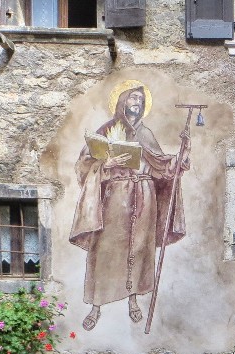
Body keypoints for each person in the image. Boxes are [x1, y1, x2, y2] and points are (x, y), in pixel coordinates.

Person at [69, 84, 188, 331]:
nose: (137, 102)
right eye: (133, 97)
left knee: (139, 248)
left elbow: (162, 167)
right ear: (122, 101)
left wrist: (182, 155)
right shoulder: (107, 130)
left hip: (145, 196)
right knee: (104, 250)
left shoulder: (146, 134)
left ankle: (133, 300)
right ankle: (95, 306)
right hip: (115, 197)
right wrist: (107, 164)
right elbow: (83, 167)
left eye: (141, 99)